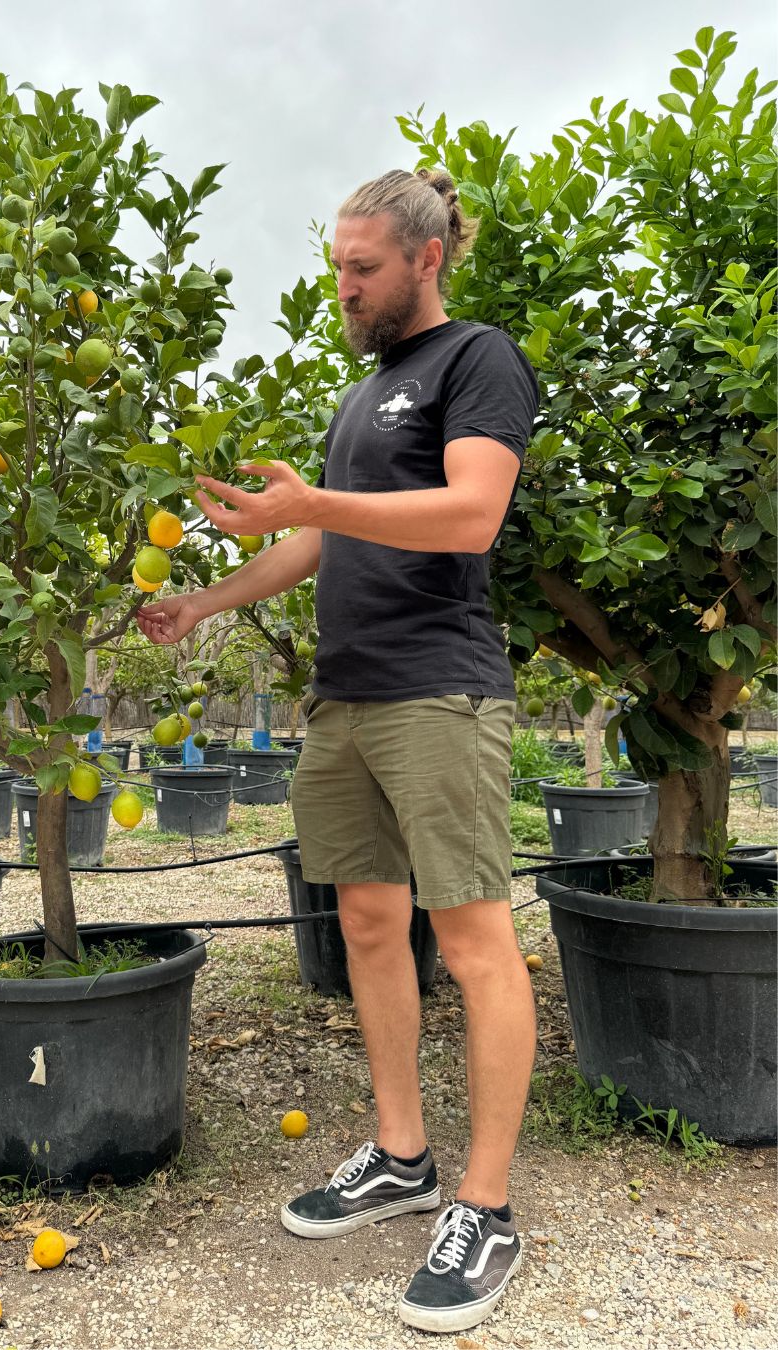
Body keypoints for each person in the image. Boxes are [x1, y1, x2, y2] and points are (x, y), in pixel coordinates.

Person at [137, 168, 541, 1335]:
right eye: (336, 267)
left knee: (473, 942)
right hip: (346, 698)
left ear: (425, 258)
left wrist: (312, 499)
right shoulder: (365, 397)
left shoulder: (478, 361)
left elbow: (471, 515)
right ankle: (403, 1154)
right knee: (368, 923)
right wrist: (207, 599)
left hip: (438, 693)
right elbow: (316, 540)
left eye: (362, 267)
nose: (344, 286)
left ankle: (488, 1205)